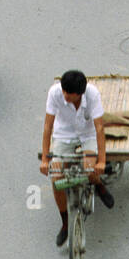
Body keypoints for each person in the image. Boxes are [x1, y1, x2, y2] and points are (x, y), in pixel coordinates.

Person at [39, 70, 113, 248]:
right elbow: (48, 126)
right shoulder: (55, 93)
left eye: (68, 93)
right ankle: (65, 223)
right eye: (63, 91)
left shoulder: (92, 95)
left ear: (79, 93)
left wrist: (101, 161)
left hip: (87, 135)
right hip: (63, 135)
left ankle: (99, 185)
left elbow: (99, 128)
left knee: (90, 169)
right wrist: (45, 158)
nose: (64, 95)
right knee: (56, 178)